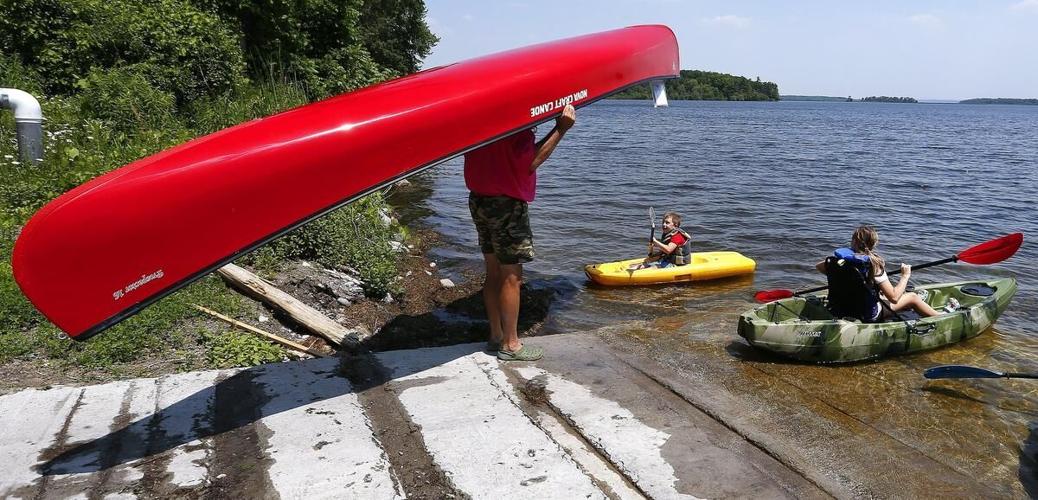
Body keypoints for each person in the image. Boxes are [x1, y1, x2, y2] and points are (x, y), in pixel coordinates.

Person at [464, 104, 576, 361]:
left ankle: (495, 336)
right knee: (511, 276)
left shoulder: (477, 118)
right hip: (505, 203)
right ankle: (511, 344)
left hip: (479, 199)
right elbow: (529, 163)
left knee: (493, 271)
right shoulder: (514, 125)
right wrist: (560, 129)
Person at [816, 225, 948, 322]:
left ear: (853, 241)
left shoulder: (837, 262)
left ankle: (908, 307)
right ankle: (943, 318)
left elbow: (819, 267)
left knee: (881, 293)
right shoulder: (874, 265)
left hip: (840, 309)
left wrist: (846, 278)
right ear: (873, 244)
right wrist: (905, 276)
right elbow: (894, 298)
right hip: (866, 315)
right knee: (912, 297)